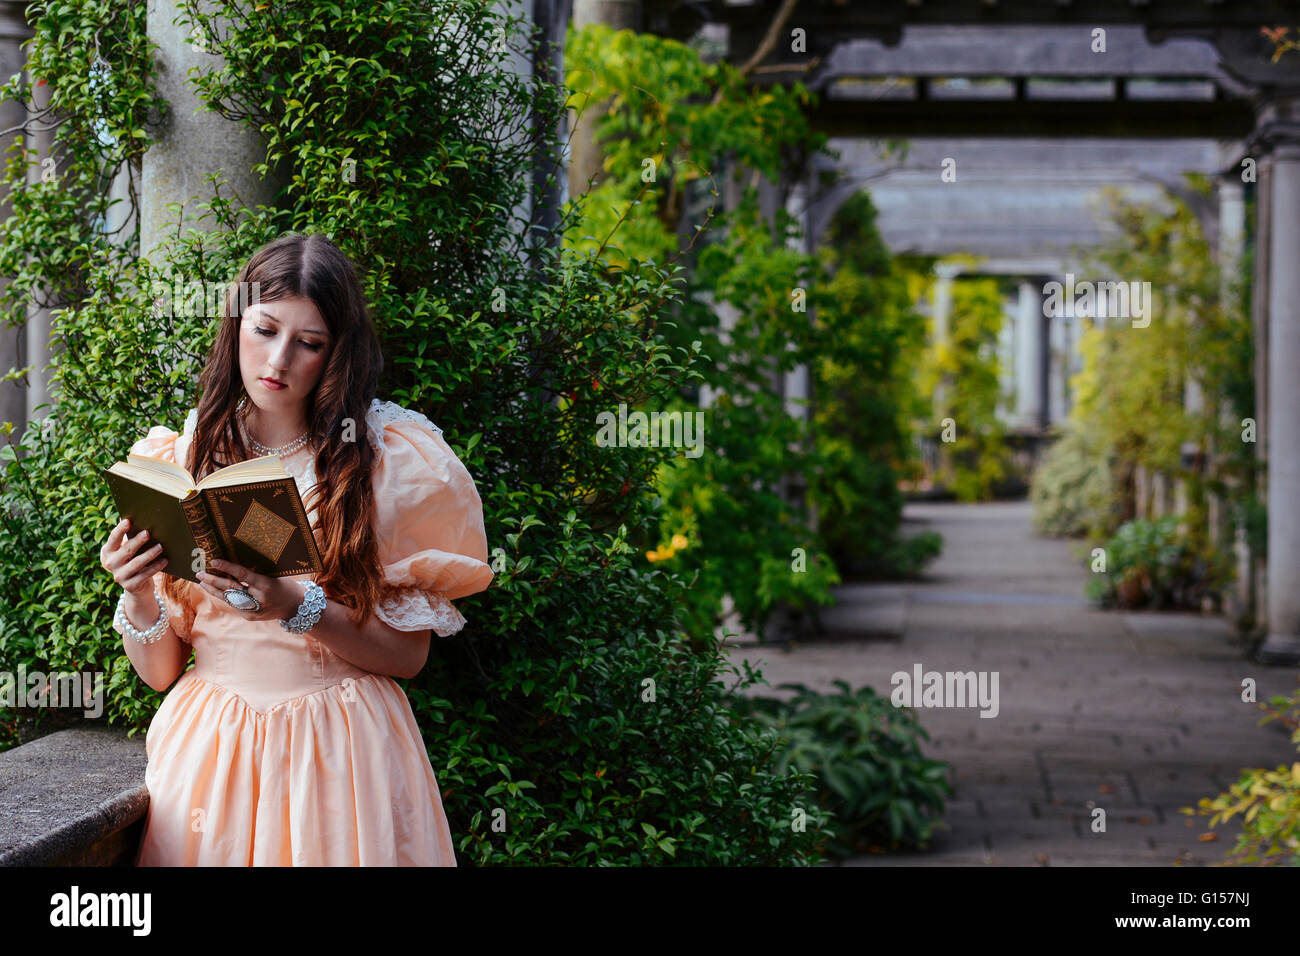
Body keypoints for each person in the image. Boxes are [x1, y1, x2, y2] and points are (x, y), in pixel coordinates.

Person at [98, 233, 494, 865]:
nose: (278, 359)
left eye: (309, 344)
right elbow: (161, 673)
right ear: (235, 327)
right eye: (264, 330)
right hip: (212, 750)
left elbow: (408, 658)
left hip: (342, 748)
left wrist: (295, 605)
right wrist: (138, 591)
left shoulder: (384, 460)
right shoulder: (183, 456)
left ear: (336, 355)